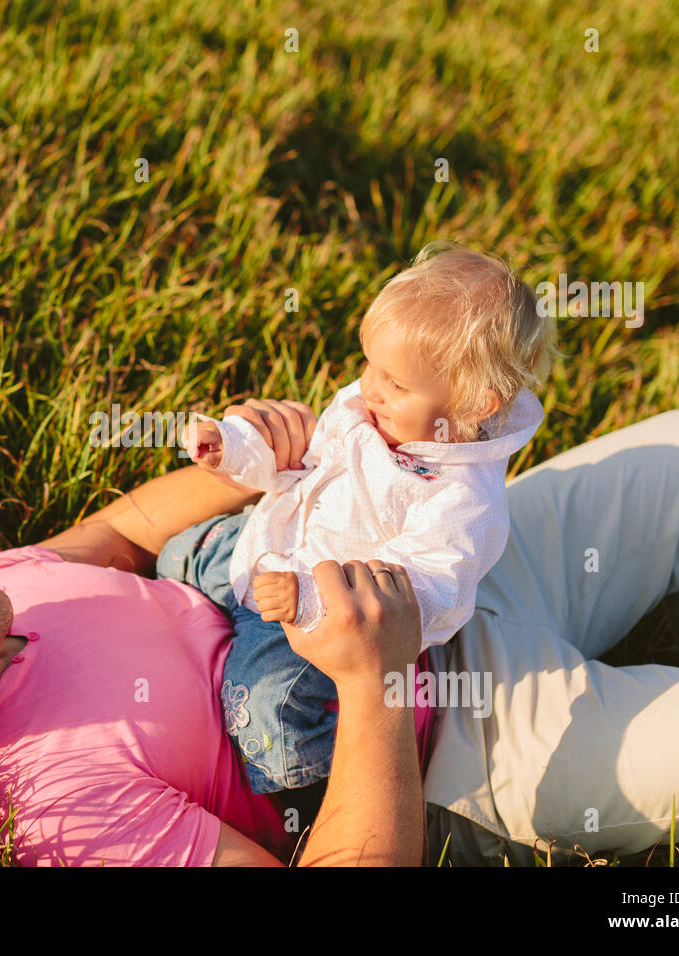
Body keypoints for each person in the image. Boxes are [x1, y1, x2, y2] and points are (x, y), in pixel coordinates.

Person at [0, 400, 679, 865]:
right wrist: (368, 685)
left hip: (452, 571)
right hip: (472, 742)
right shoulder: (48, 804)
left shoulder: (6, 584)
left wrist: (254, 463)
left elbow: (125, 530)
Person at [177, 241, 555, 794]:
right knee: (178, 553)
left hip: (315, 620)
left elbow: (417, 592)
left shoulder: (462, 502)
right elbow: (303, 458)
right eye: (370, 366)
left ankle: (307, 791)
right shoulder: (373, 405)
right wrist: (233, 448)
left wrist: (307, 597)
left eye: (397, 384)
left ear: (477, 406)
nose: (370, 389)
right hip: (269, 541)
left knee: (263, 705)